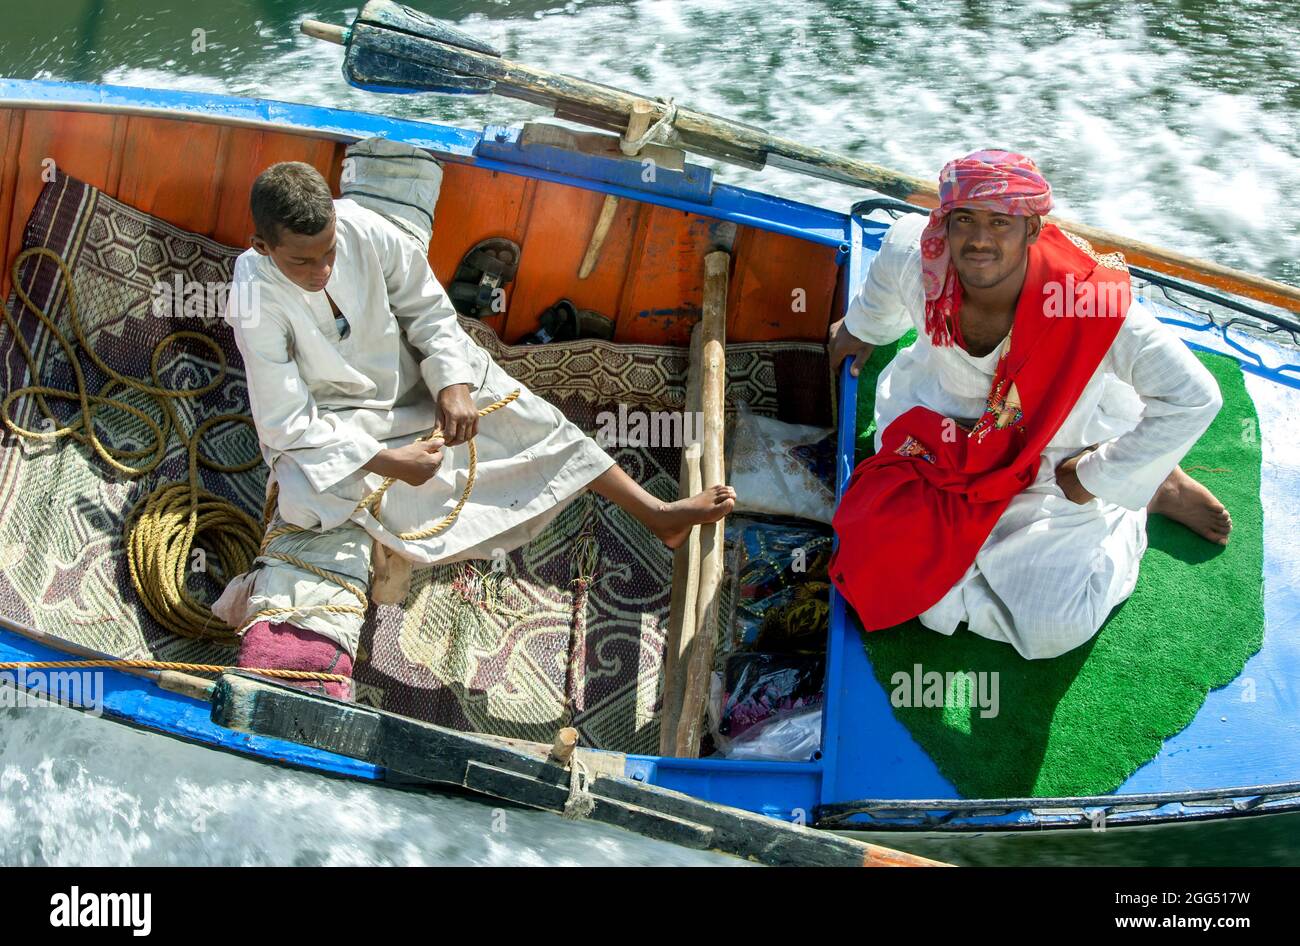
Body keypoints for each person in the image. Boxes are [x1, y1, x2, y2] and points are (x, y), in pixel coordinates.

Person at [218, 161, 734, 698]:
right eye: (303, 261)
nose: (322, 269)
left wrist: (451, 385)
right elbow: (286, 421)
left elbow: (428, 311)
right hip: (339, 425)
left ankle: (658, 515)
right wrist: (386, 461)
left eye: (327, 253)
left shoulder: (362, 227)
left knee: (531, 421)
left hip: (414, 378)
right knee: (313, 500)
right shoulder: (252, 298)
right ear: (261, 246)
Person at [827, 149, 1230, 660]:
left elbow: (1194, 397)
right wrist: (862, 326)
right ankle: (1141, 482)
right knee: (876, 567)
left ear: (1033, 229)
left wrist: (1099, 476)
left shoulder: (1090, 301)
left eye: (1000, 223)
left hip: (1057, 454)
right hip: (940, 437)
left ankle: (1145, 489)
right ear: (943, 223)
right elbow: (886, 280)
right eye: (964, 220)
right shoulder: (917, 253)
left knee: (1051, 626)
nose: (978, 240)